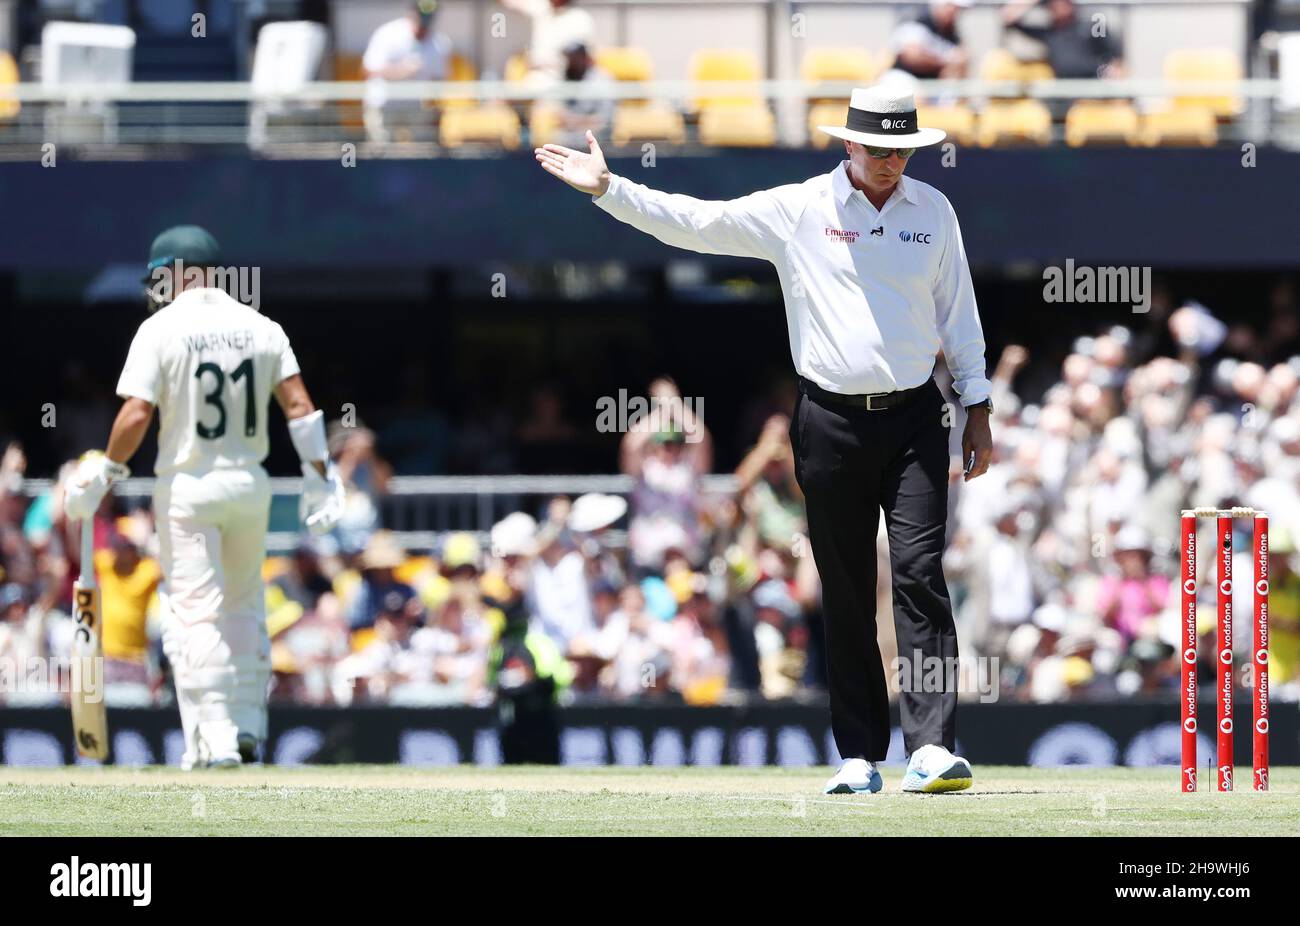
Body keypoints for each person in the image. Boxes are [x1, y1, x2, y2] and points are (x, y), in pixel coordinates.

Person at [534, 84, 993, 794]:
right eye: (878, 148)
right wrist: (610, 190)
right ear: (849, 144)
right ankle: (861, 756)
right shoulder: (800, 208)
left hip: (915, 419)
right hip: (829, 421)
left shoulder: (934, 212)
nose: (891, 162)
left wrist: (978, 404)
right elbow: (697, 223)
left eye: (902, 149)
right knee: (842, 590)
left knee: (919, 577)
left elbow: (958, 313)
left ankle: (930, 748)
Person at [63, 225, 344, 769]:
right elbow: (299, 405)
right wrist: (318, 475)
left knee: (196, 613)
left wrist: (107, 471)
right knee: (243, 603)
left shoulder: (159, 329)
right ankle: (247, 724)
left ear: (179, 271)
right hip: (248, 486)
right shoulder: (262, 326)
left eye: (159, 277)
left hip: (189, 487)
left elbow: (137, 412)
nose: (155, 289)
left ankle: (215, 733)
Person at [361, 0, 452, 142]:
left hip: (416, 106)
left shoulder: (439, 43)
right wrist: (400, 71)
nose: (423, 23)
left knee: (424, 151)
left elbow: (439, 82)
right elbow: (367, 71)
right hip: (384, 104)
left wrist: (436, 113)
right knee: (380, 153)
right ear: (412, 14)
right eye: (421, 16)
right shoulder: (388, 33)